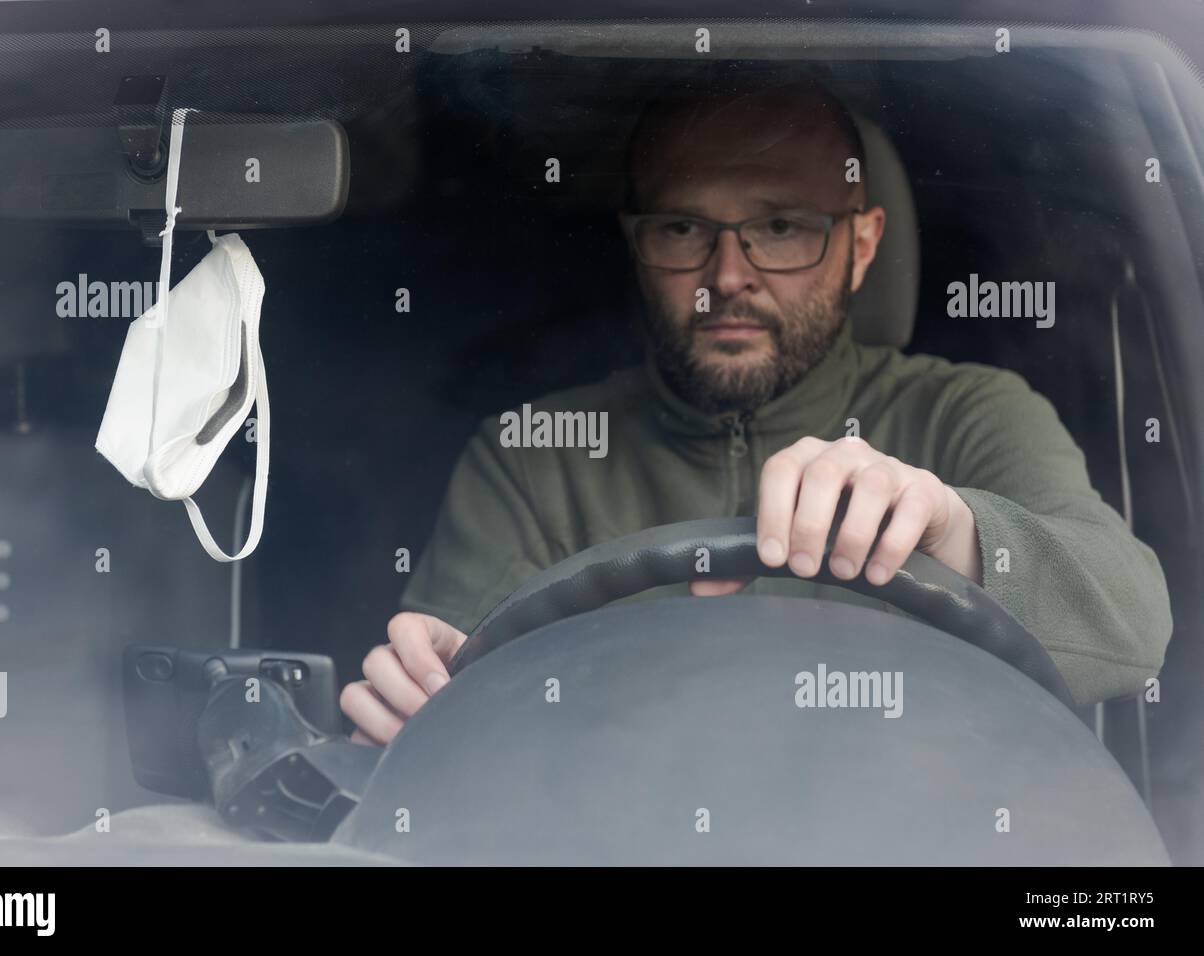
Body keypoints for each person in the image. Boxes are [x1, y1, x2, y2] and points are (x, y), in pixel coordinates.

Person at [340, 76, 1172, 745]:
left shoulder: (969, 415)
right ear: (639, 246)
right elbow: (454, 718)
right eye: (682, 229)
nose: (728, 274)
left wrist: (953, 530)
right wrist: (424, 706)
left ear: (863, 244)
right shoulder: (534, 456)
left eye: (780, 226)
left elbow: (1134, 628)